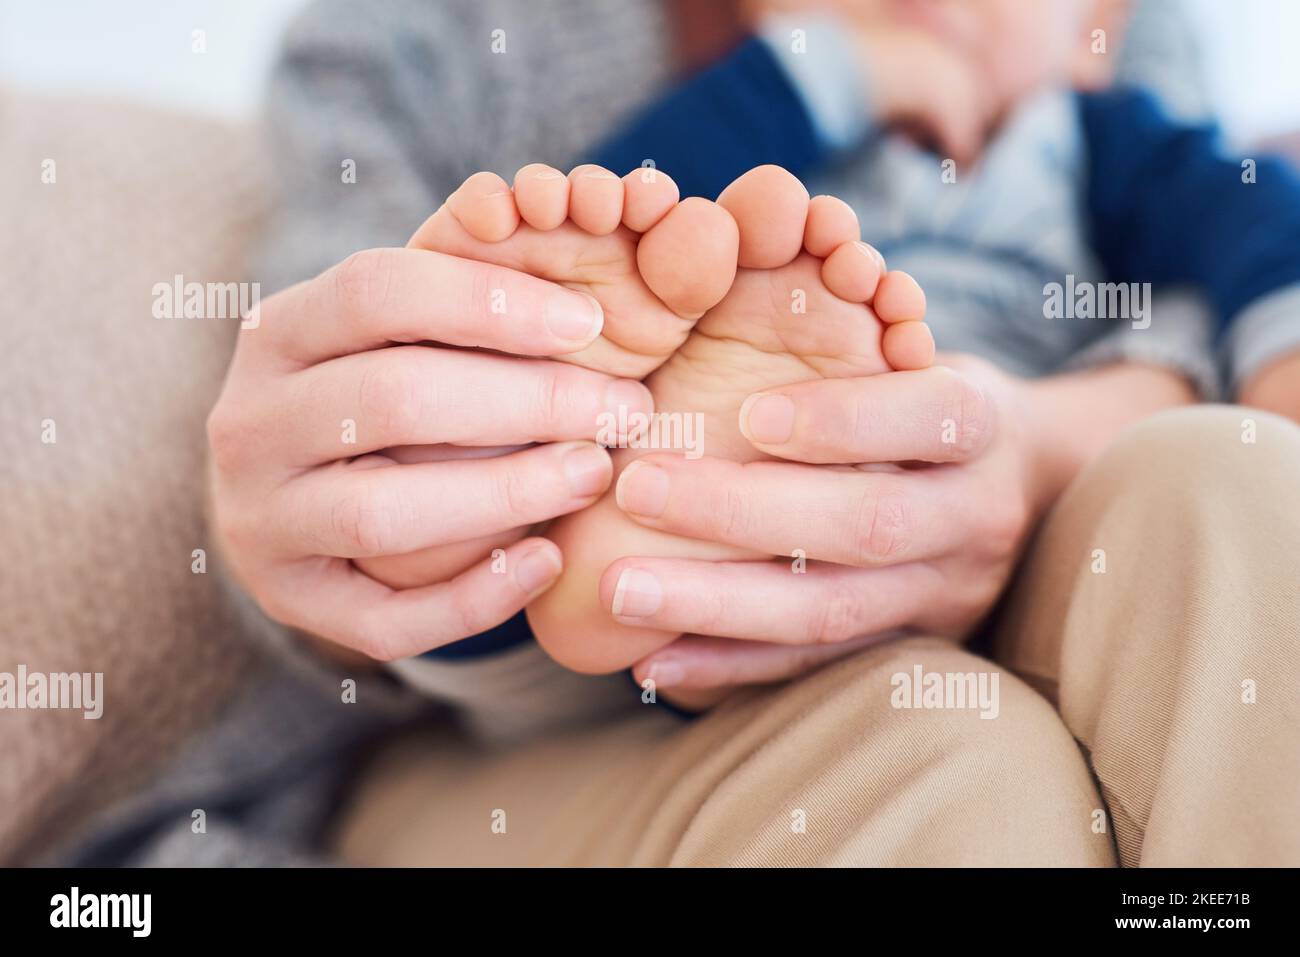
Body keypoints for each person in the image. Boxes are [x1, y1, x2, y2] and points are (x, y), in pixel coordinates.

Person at [63, 0, 1300, 866]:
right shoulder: (736, 125)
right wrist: (818, 75)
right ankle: (571, 528)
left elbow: (1249, 228)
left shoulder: (1101, 141)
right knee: (659, 302)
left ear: (1102, 29)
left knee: (1241, 486)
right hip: (600, 643)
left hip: (978, 519)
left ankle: (651, 522)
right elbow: (640, 227)